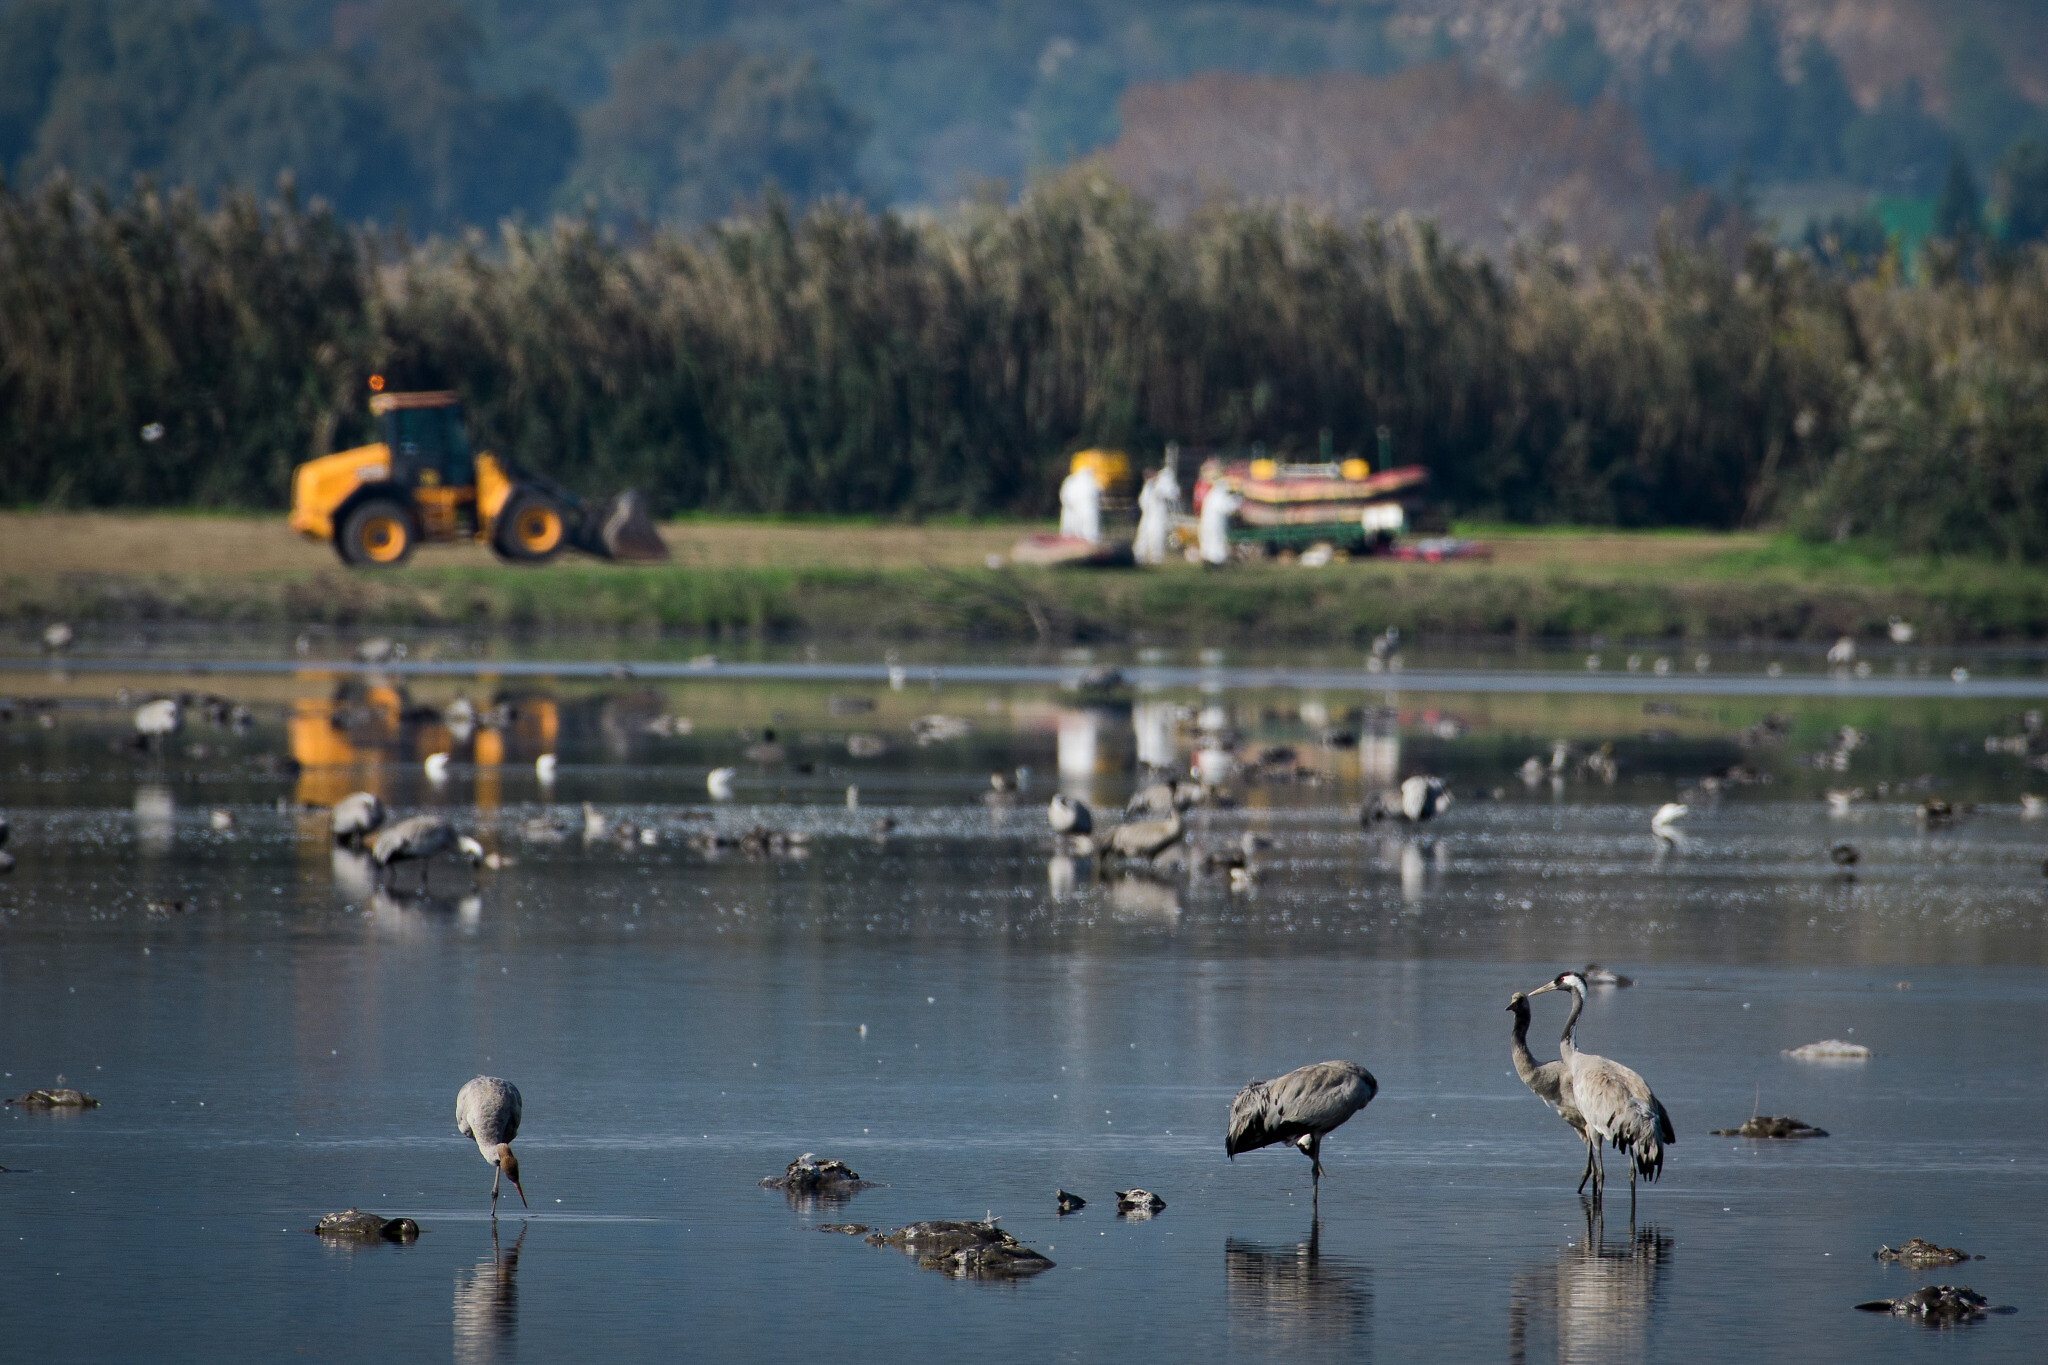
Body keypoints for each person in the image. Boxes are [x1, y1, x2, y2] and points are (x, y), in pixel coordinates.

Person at [1134, 467, 1172, 564]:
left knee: (1156, 536)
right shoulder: (1147, 486)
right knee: (1143, 536)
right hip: (1147, 516)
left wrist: (1157, 486)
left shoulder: (1162, 483)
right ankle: (1140, 556)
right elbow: (1143, 501)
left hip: (1157, 516)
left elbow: (1170, 494)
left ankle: (1155, 557)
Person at [1199, 480, 1241, 565]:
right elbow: (1226, 507)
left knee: (1208, 542)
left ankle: (1208, 559)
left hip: (1206, 523)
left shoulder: (1211, 494)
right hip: (1215, 525)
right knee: (1216, 542)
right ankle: (1216, 561)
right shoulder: (1218, 496)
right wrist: (1237, 500)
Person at [1059, 462, 1102, 544]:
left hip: (1080, 506)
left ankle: (1088, 539)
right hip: (1078, 506)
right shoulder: (1075, 481)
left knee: (1085, 523)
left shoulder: (1086, 481)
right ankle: (1083, 538)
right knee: (1082, 522)